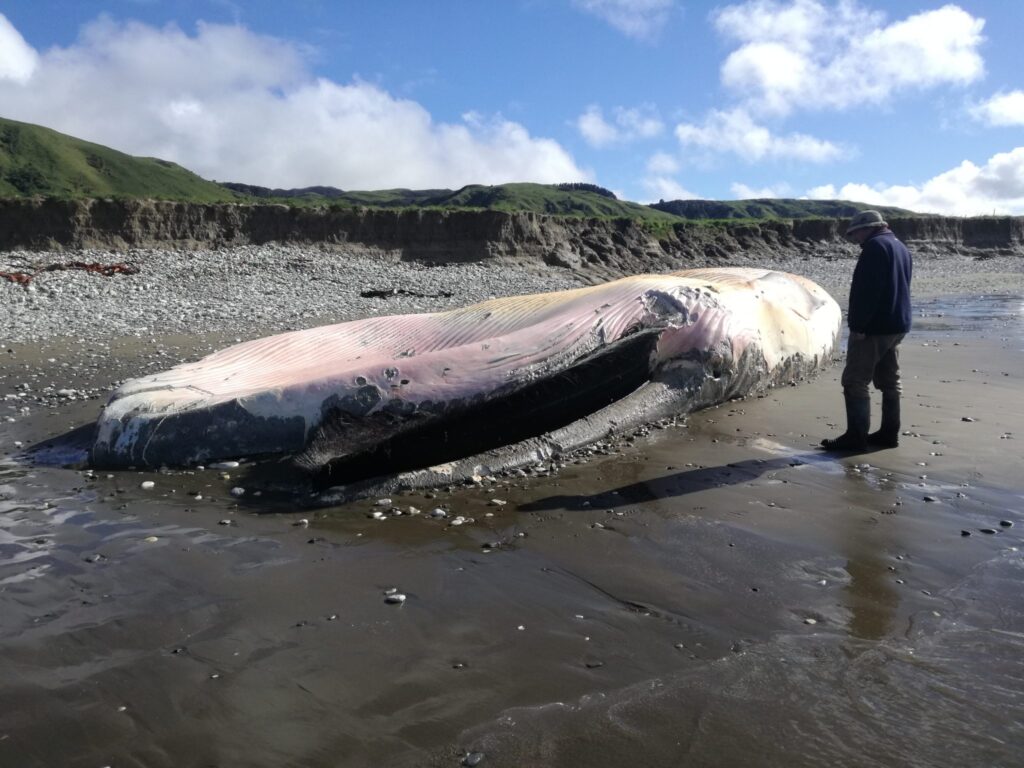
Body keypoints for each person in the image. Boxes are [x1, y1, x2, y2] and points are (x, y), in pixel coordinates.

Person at [821, 210, 913, 451]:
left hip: (874, 327)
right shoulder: (900, 247)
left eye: (856, 233)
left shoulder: (875, 248)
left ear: (869, 228)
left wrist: (859, 325)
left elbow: (867, 292)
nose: (855, 239)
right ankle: (888, 434)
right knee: (890, 380)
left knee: (855, 380)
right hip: (898, 323)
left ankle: (856, 437)